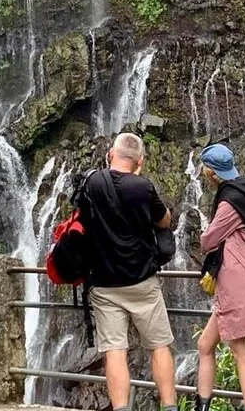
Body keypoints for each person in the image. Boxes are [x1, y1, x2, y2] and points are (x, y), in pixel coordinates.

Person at [79, 132, 177, 411]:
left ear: (111, 154)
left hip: (104, 282)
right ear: (139, 160)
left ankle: (121, 408)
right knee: (158, 345)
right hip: (141, 280)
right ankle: (169, 406)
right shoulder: (143, 187)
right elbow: (164, 221)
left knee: (115, 351)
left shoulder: (93, 182)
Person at [194, 143, 245, 411]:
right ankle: (202, 405)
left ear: (211, 173)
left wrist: (205, 236)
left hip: (238, 288)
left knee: (241, 352)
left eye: (205, 171)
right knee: (205, 345)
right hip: (240, 286)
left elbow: (208, 240)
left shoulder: (231, 201)